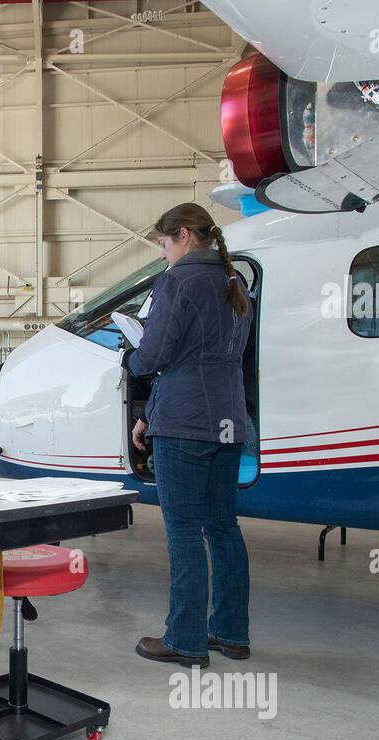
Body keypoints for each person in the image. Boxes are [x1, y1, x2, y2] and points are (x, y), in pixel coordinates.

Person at [123, 203, 252, 668]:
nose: (162, 255)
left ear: (182, 236)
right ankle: (232, 633)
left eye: (163, 244)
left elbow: (155, 354)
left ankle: (185, 640)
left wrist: (131, 356)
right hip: (227, 422)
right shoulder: (234, 283)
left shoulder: (177, 282)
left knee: (182, 533)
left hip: (186, 424)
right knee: (223, 527)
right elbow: (204, 361)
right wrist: (149, 417)